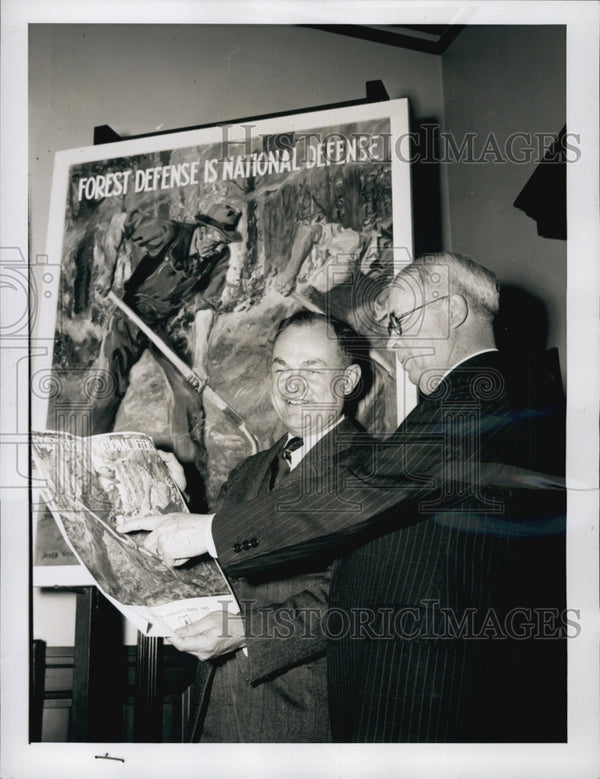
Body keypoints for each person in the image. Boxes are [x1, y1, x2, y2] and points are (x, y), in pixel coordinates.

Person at [127, 252, 566, 742]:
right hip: (231, 713)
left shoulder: (480, 393)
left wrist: (208, 531)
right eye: (281, 368)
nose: (395, 343)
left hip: (386, 702)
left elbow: (356, 522)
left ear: (452, 311)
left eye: (400, 321)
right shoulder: (470, 402)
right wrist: (171, 498)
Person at [122, 310, 367, 742]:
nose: (292, 386)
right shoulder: (249, 471)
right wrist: (167, 496)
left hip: (300, 724)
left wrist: (245, 631)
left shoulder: (371, 470)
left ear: (347, 382)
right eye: (281, 369)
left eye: (311, 370)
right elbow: (217, 562)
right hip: (211, 713)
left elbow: (357, 601)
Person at [89, 203, 243, 468]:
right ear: (203, 231)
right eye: (216, 242)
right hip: (132, 311)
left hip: (168, 321)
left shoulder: (219, 258)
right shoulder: (168, 233)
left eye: (224, 243)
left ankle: (192, 470)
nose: (218, 249)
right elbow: (120, 220)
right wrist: (107, 269)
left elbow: (205, 310)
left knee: (189, 392)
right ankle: (87, 452)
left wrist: (199, 363)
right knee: (109, 383)